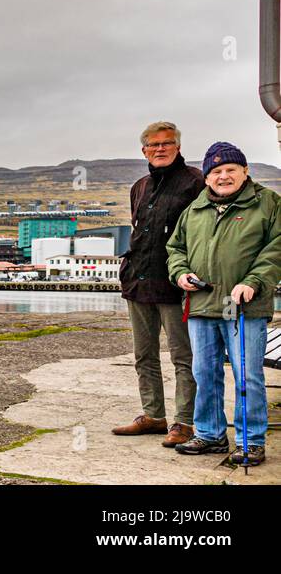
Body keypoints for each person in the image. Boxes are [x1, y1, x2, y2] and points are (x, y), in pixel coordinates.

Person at [166, 142, 281, 465]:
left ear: (245, 172)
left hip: (244, 306)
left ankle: (251, 441)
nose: (224, 175)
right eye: (216, 171)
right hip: (202, 304)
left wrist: (254, 281)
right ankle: (210, 434)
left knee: (247, 376)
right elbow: (175, 248)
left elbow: (276, 249)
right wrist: (181, 273)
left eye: (231, 169)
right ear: (206, 178)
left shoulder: (268, 204)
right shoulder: (195, 209)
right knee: (204, 372)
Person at [112, 122, 202, 447]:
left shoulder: (196, 182)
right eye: (154, 145)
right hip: (138, 284)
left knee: (183, 357)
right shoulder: (139, 186)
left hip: (175, 286)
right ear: (144, 151)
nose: (160, 149)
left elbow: (202, 236)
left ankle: (185, 423)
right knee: (144, 355)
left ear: (177, 147)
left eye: (167, 143)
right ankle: (153, 416)